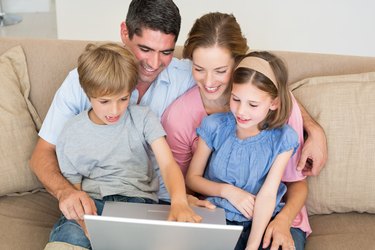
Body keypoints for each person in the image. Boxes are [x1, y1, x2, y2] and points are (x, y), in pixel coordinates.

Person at [30, 0, 325, 233]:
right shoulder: (83, 81)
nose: (154, 63)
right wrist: (65, 192)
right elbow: (42, 153)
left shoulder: (188, 72)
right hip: (98, 195)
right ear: (124, 32)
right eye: (145, 48)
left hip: (152, 201)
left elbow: (262, 85)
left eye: (166, 52)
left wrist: (312, 128)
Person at [162, 12, 310, 249]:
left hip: (274, 216)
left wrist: (282, 220)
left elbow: (292, 184)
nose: (209, 81)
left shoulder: (279, 120)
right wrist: (190, 199)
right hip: (219, 212)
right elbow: (183, 181)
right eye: (199, 68)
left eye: (220, 70)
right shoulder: (190, 118)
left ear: (238, 63)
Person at [49, 43, 201, 248]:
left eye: (123, 98)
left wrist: (179, 201)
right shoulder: (72, 132)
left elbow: (167, 164)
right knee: (69, 237)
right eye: (105, 101)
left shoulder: (143, 118)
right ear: (88, 94)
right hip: (93, 204)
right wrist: (84, 223)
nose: (115, 110)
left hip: (138, 204)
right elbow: (75, 192)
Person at [186, 51, 302, 250]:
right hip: (218, 215)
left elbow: (267, 195)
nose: (241, 111)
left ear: (274, 103)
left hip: (262, 221)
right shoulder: (215, 126)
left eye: (253, 104)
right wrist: (228, 191)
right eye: (236, 99)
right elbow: (192, 178)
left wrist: (252, 246)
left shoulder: (283, 138)